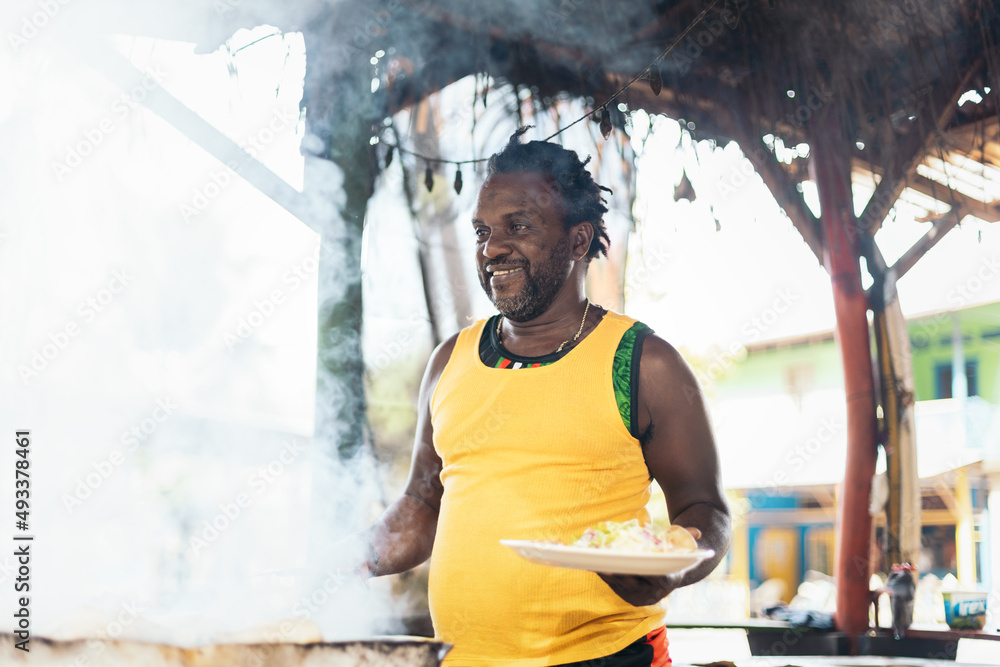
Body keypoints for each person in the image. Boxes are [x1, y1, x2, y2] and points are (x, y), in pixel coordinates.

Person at [359, 128, 730, 666]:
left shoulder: (645, 362)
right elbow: (421, 505)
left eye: (519, 226)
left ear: (579, 241)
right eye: (483, 231)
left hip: (609, 658)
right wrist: (351, 559)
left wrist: (677, 565)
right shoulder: (449, 362)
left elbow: (706, 509)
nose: (492, 248)